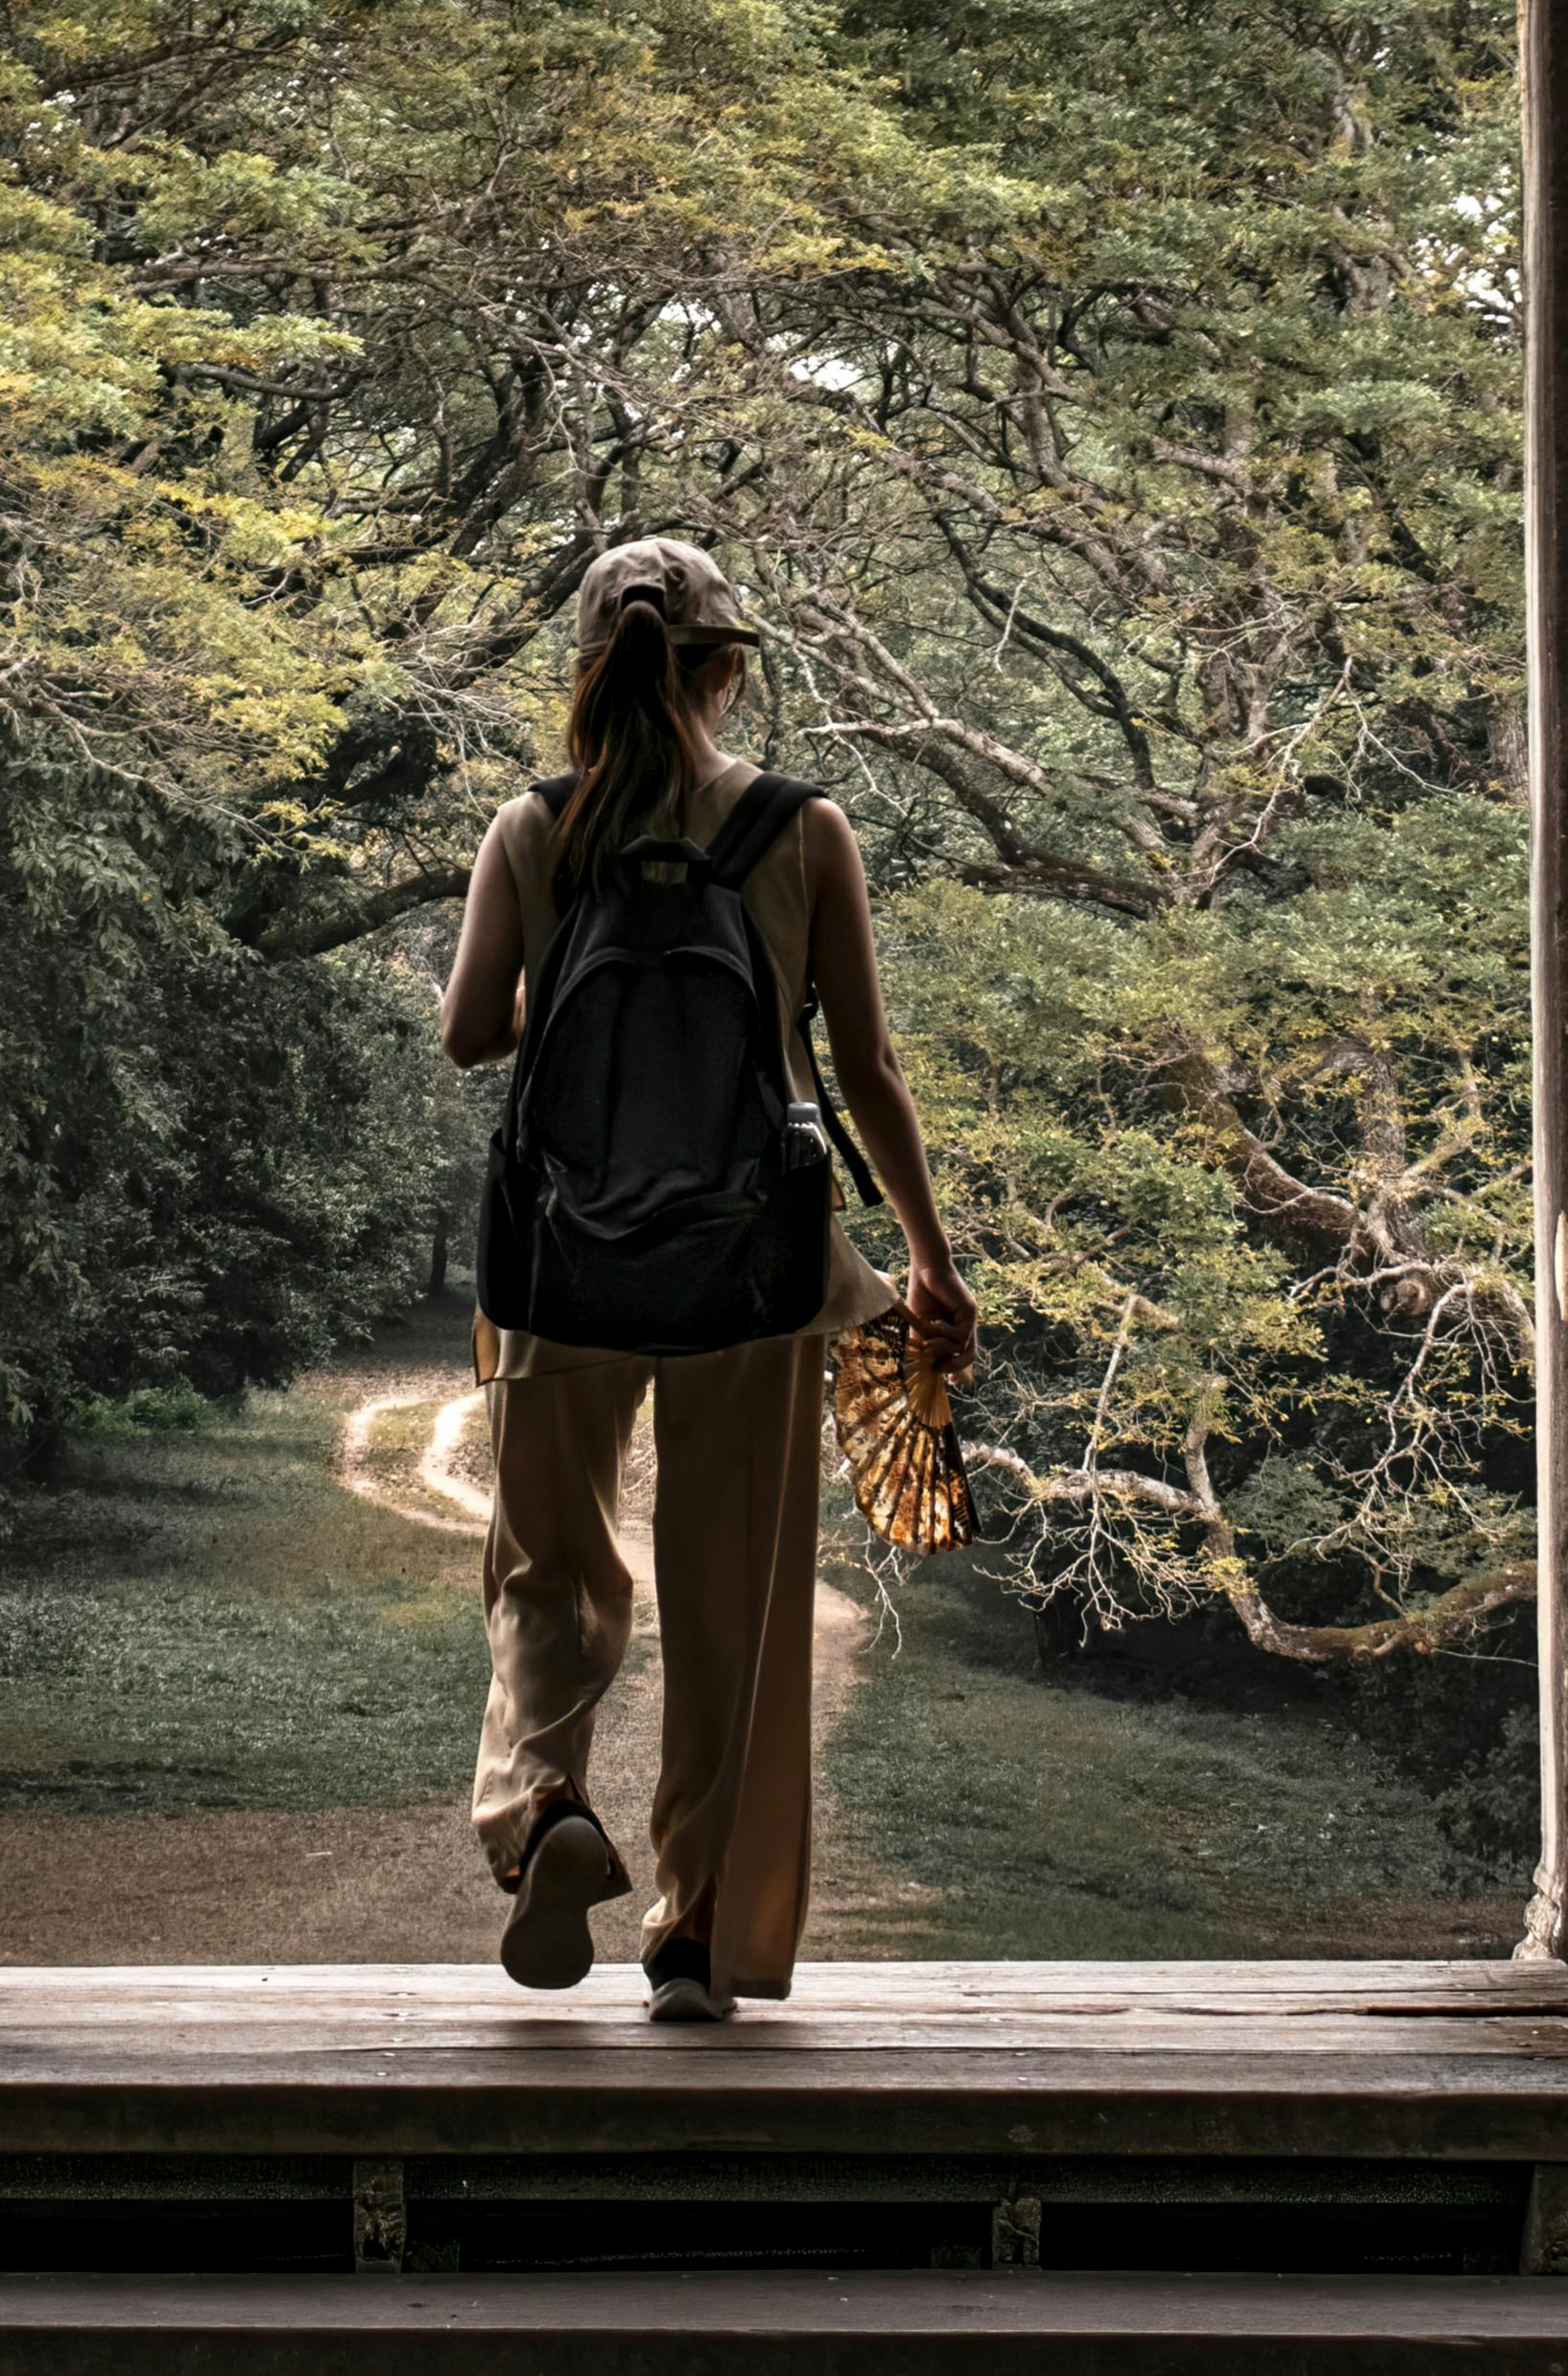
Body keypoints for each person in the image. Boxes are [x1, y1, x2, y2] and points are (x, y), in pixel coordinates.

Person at [440, 532, 979, 2020]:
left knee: (549, 1570)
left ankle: (545, 1805)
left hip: (560, 1260)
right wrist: (930, 1260)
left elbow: (472, 1033)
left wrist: (566, 963)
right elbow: (865, 1068)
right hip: (758, 1264)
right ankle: (696, 1936)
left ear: (588, 671)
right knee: (734, 1594)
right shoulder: (804, 832)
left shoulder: (532, 829)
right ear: (728, 672)